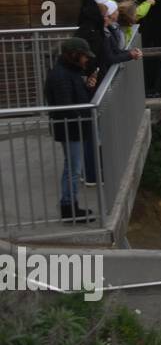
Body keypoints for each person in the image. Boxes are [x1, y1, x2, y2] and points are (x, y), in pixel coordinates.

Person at [44, 37, 98, 222]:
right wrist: (85, 113)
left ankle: (69, 206)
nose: (86, 60)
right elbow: (66, 106)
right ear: (74, 55)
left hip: (72, 127)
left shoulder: (68, 72)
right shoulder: (61, 75)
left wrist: (88, 88)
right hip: (70, 128)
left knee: (72, 167)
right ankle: (69, 208)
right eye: (83, 56)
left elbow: (74, 99)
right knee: (74, 169)